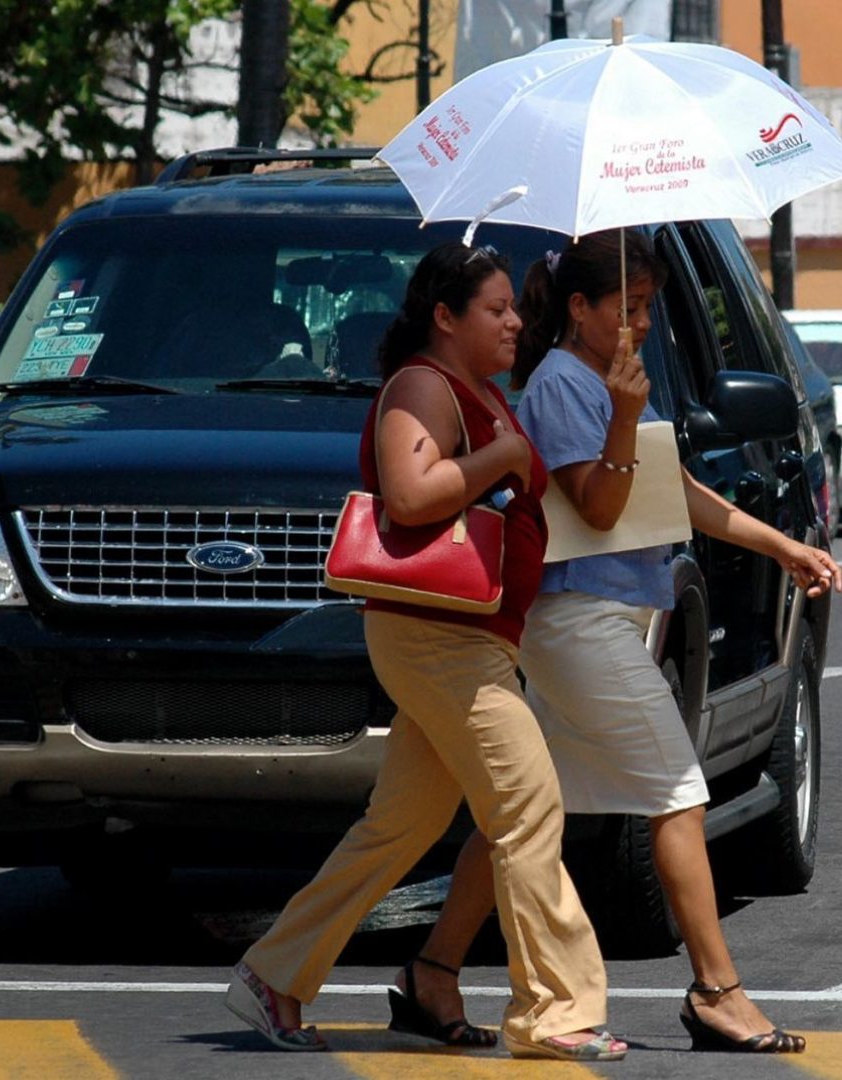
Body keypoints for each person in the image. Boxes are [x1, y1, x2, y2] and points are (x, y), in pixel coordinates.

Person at [399, 230, 841, 1055]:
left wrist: (781, 546)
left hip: (603, 623)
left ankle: (433, 970)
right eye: (623, 309)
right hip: (576, 624)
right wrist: (627, 418)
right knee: (678, 791)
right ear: (578, 308)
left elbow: (675, 493)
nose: (637, 324)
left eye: (646, 310)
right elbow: (598, 507)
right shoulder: (564, 386)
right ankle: (716, 989)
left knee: (531, 815)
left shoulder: (608, 379)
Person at [225, 241, 627, 1062]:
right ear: (445, 317)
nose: (516, 320)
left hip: (466, 637)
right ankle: (556, 1009)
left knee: (399, 825)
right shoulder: (423, 384)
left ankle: (274, 974)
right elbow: (409, 496)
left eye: (516, 306)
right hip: (440, 638)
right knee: (527, 804)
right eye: (496, 308)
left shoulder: (475, 389)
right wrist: (504, 457)